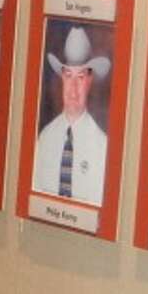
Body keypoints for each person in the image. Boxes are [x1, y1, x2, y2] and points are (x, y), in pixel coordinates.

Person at [31, 26, 109, 204]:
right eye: (68, 76)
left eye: (80, 77)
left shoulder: (102, 146)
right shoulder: (45, 138)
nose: (73, 88)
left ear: (90, 81)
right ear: (61, 79)